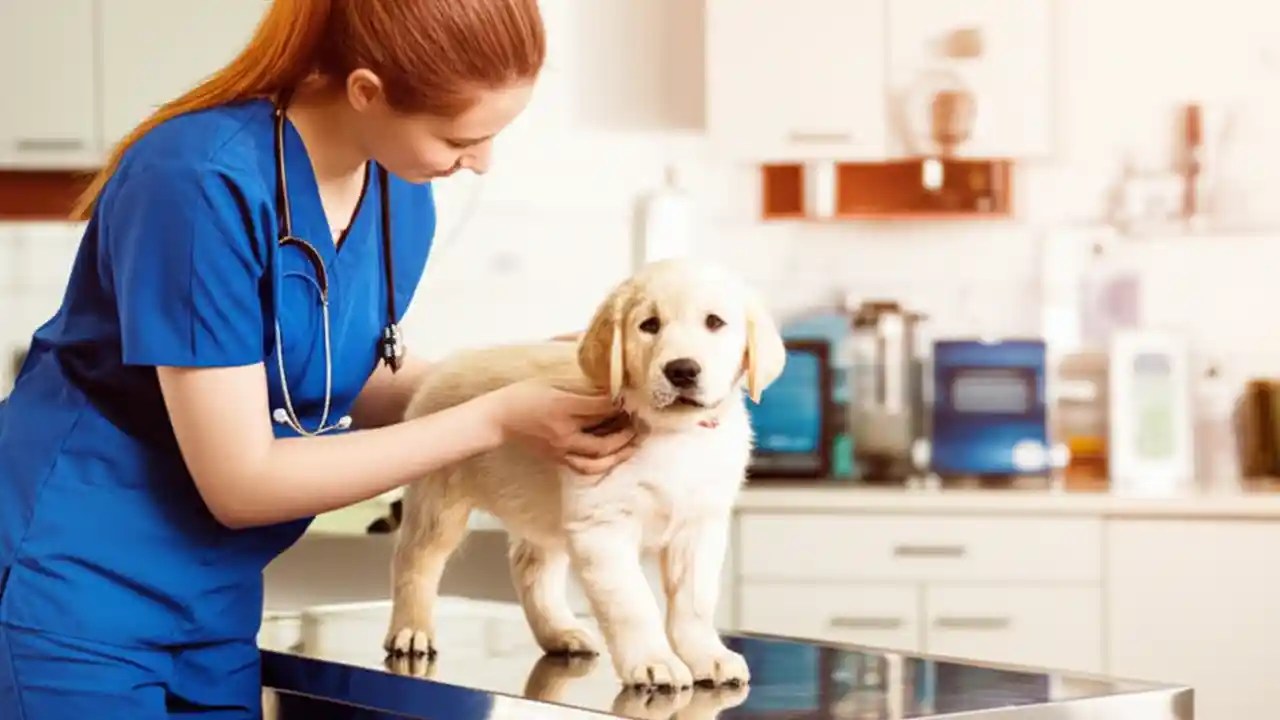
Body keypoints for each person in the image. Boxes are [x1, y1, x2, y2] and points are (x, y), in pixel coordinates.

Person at [0, 0, 638, 717]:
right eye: (461, 135)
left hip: (214, 598)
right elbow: (241, 482)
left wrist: (521, 382)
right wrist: (495, 418)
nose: (482, 161)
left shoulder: (402, 193)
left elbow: (342, 370)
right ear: (367, 91)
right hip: (72, 578)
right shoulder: (197, 181)